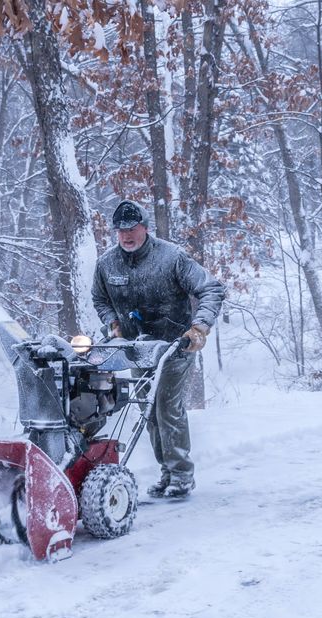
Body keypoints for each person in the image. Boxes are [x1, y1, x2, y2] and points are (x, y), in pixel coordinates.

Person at [91, 199, 225, 498]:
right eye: (120, 230)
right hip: (138, 348)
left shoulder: (171, 257)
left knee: (165, 405)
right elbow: (99, 298)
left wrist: (199, 327)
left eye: (132, 228)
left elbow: (211, 288)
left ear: (145, 228)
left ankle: (181, 474)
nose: (126, 235)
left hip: (175, 344)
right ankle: (167, 471)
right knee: (148, 410)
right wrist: (112, 323)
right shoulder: (107, 264)